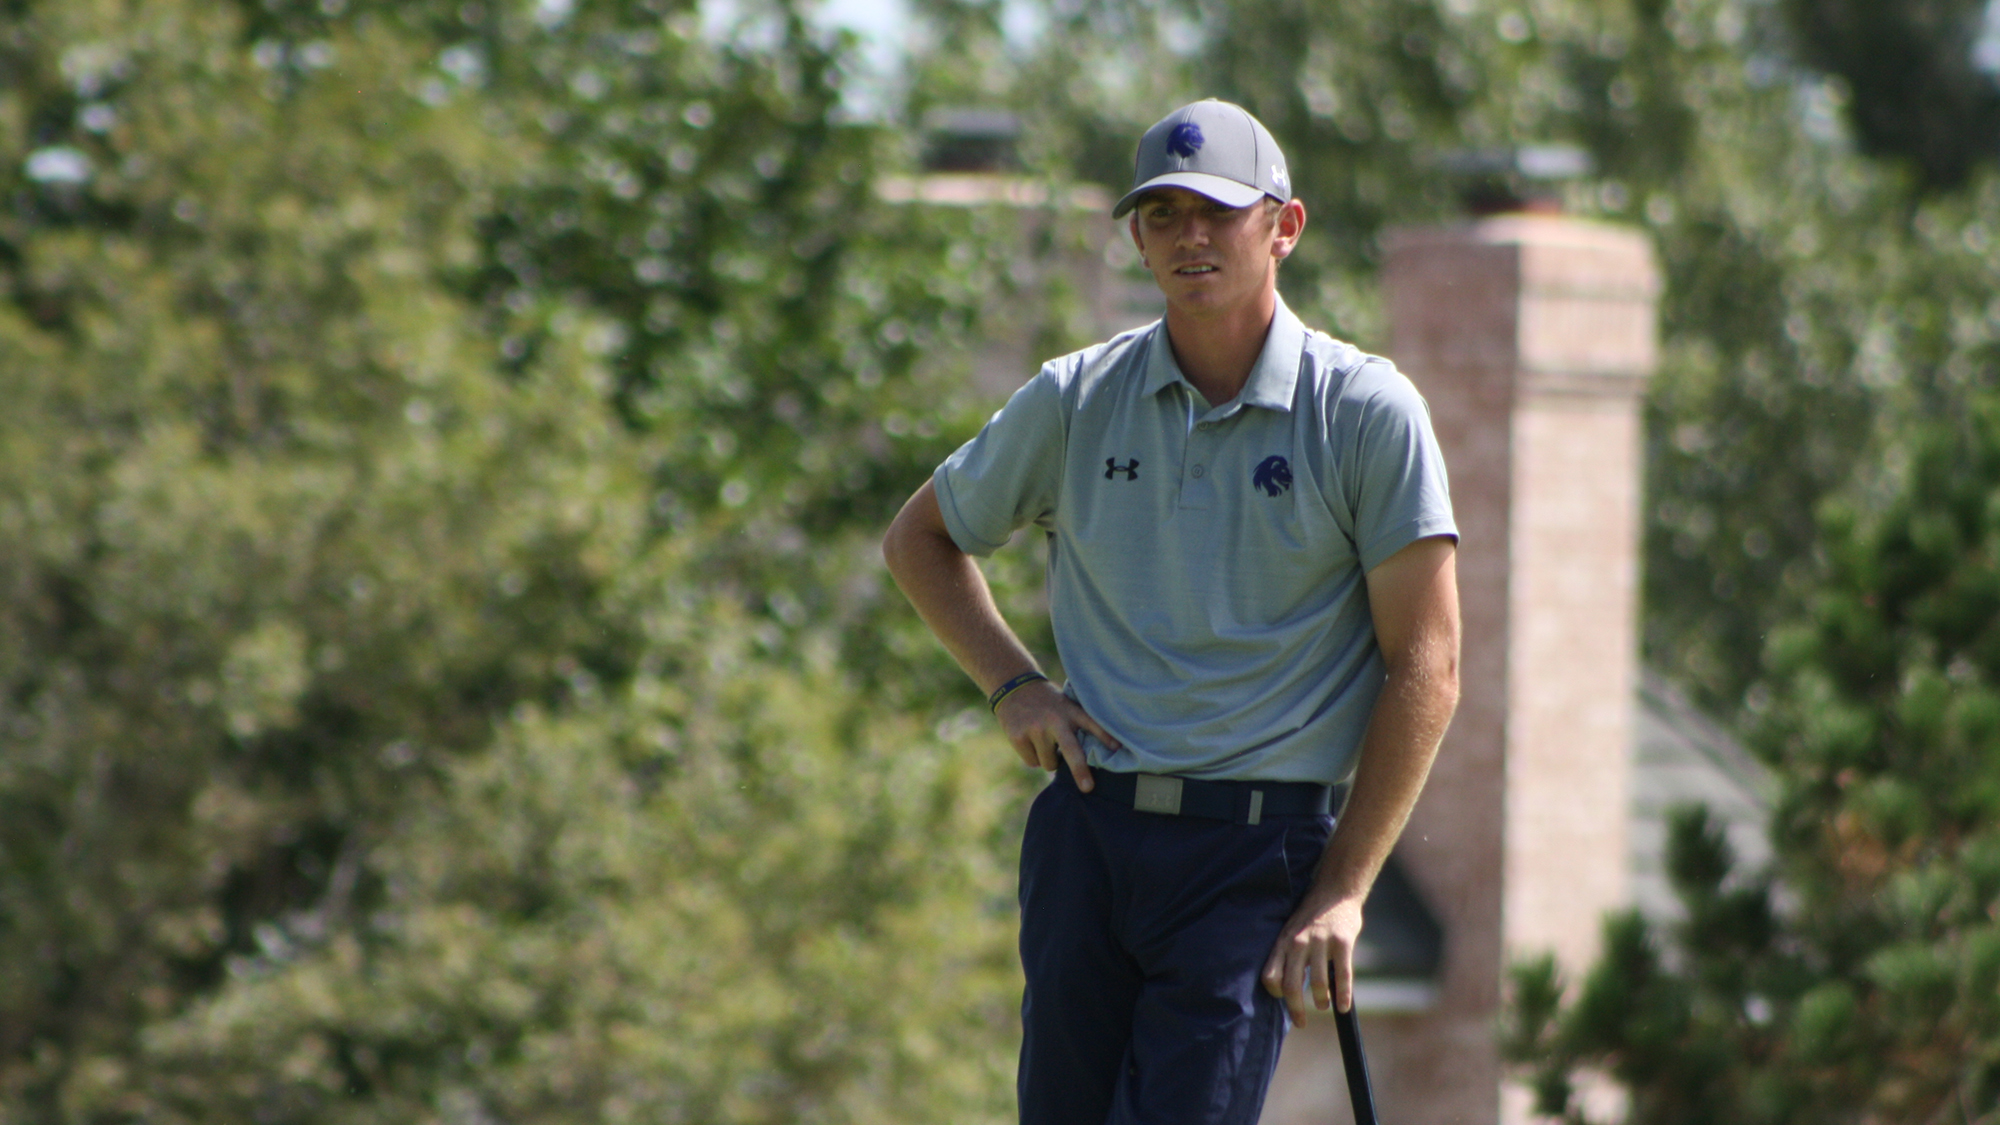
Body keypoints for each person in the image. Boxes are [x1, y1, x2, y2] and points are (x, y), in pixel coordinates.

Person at [881, 99, 1461, 1125]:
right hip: (1087, 836)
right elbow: (918, 540)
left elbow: (1424, 664)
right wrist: (1012, 684)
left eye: (1216, 211)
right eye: (1160, 215)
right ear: (1137, 237)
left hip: (1254, 856)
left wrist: (1343, 887)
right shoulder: (1075, 396)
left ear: (1282, 226)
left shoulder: (1366, 412)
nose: (1188, 235)